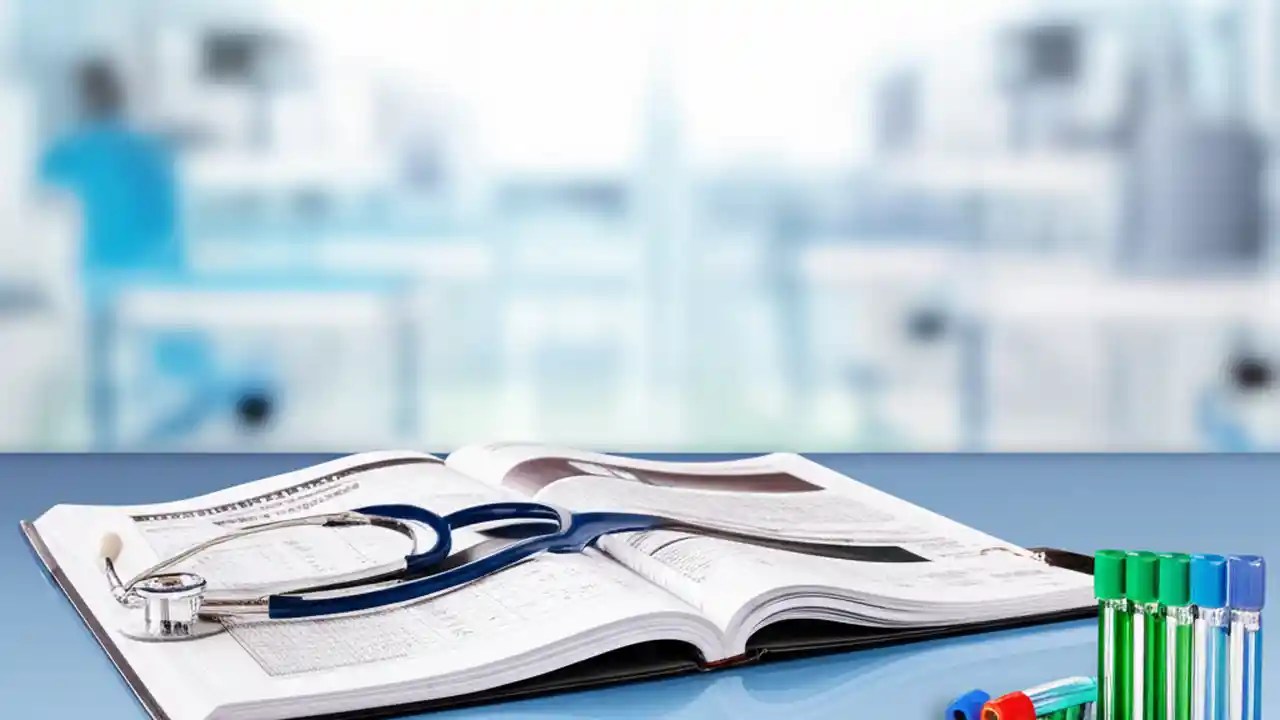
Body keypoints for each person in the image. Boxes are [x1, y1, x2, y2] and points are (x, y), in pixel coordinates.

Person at [39, 59, 181, 276]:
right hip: (157, 266)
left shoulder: (70, 150)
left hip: (103, 267)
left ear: (80, 100)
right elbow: (168, 217)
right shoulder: (151, 147)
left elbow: (42, 199)